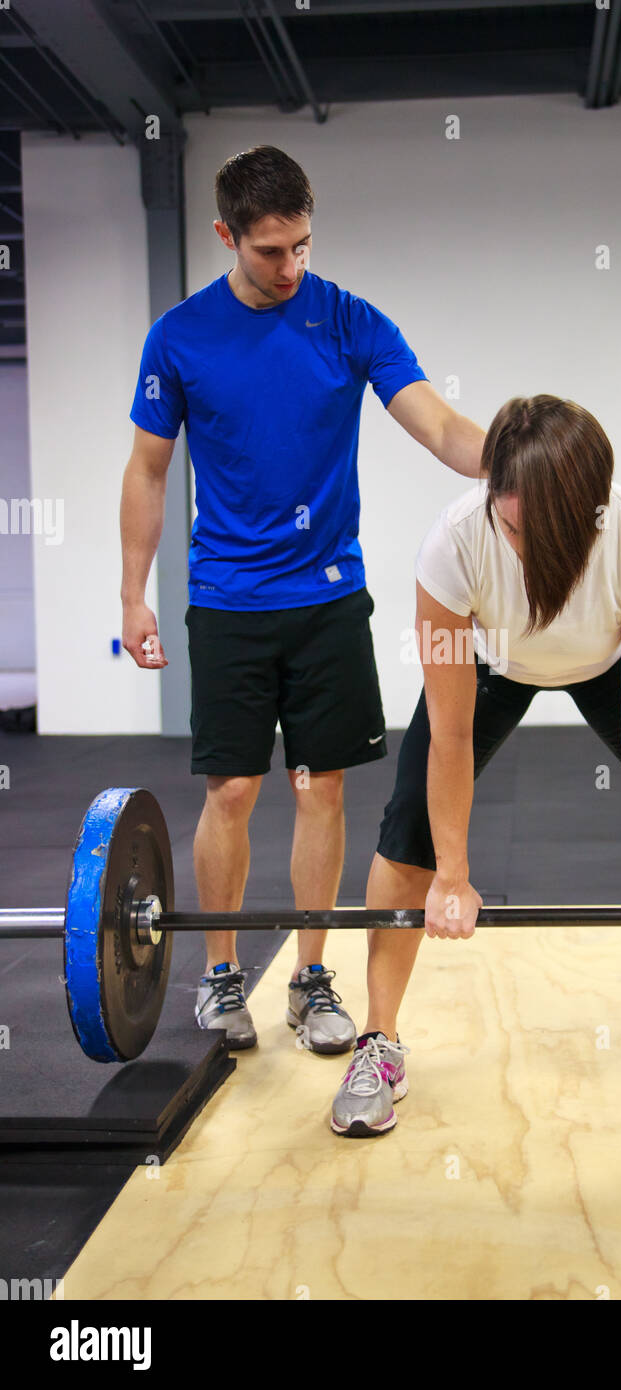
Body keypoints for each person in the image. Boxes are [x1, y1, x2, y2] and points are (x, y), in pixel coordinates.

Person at [332, 394, 621, 1141]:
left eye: (533, 530)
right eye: (507, 525)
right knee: (408, 828)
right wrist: (450, 873)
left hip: (609, 662)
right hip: (493, 661)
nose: (516, 545)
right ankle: (378, 1041)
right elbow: (450, 735)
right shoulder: (452, 549)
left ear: (591, 510)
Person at [120, 145, 485, 1055]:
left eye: (304, 248)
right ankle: (220, 974)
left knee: (321, 788)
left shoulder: (350, 320)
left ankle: (312, 979)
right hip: (230, 598)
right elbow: (149, 468)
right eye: (271, 252)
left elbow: (435, 423)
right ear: (226, 237)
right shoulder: (179, 336)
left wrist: (528, 466)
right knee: (234, 788)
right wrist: (133, 596)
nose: (292, 268)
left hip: (328, 598)